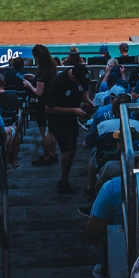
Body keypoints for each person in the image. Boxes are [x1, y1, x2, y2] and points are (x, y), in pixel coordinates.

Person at [46, 63, 93, 194]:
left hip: (72, 117)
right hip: (58, 120)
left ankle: (64, 180)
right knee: (69, 148)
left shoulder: (80, 77)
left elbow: (83, 89)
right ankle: (64, 182)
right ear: (72, 76)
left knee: (72, 146)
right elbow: (49, 108)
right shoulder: (58, 83)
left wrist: (87, 99)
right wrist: (72, 110)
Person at [24, 44, 59, 166]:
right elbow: (46, 83)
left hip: (43, 106)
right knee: (52, 131)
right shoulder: (52, 69)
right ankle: (53, 154)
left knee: (44, 132)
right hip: (53, 104)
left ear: (37, 57)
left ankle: (46, 157)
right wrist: (35, 78)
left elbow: (39, 92)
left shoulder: (41, 73)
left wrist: (29, 84)